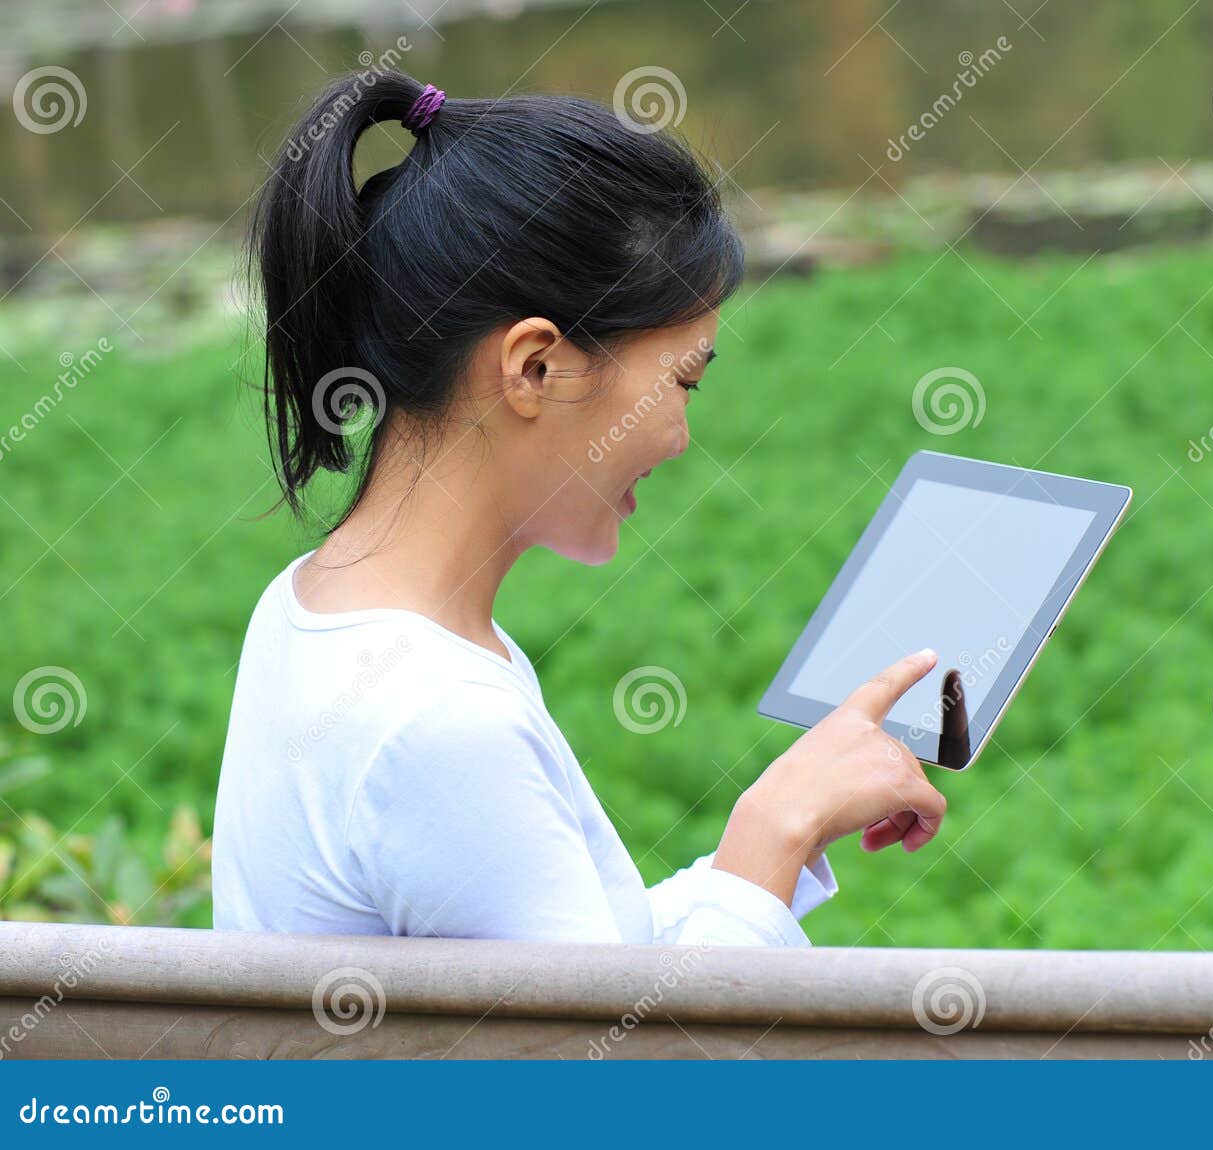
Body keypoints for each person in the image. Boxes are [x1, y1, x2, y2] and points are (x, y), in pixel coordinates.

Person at [211, 73, 949, 947]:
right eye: (684, 380)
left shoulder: (320, 612)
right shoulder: (437, 719)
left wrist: (785, 829)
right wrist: (771, 831)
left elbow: (593, 973)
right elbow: (631, 1073)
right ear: (533, 368)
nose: (680, 437)